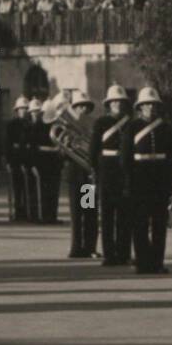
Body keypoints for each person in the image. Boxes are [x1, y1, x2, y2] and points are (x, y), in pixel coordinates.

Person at [122, 86, 172, 274]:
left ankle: (157, 262)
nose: (150, 108)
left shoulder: (165, 127)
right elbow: (125, 157)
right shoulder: (132, 127)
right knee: (140, 223)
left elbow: (171, 157)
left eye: (153, 105)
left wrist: (171, 184)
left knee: (159, 224)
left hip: (160, 181)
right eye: (146, 105)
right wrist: (129, 182)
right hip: (139, 180)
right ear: (140, 107)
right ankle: (142, 261)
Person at [90, 84, 133, 267]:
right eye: (114, 101)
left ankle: (123, 253)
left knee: (124, 216)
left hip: (124, 173)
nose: (117, 104)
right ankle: (109, 255)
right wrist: (97, 171)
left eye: (120, 101)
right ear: (109, 104)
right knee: (107, 217)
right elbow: (93, 151)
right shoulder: (101, 123)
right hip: (107, 172)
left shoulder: (130, 123)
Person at [65, 92, 99, 258]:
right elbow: (61, 154)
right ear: (75, 108)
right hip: (74, 176)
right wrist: (65, 146)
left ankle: (90, 247)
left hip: (88, 176)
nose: (83, 109)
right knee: (76, 214)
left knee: (89, 212)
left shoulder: (93, 125)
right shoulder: (68, 126)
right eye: (79, 106)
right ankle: (76, 248)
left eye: (86, 106)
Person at [5, 97, 31, 222]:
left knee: (27, 189)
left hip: (27, 161)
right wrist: (9, 162)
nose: (24, 111)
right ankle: (17, 212)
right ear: (17, 111)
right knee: (17, 188)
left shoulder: (30, 125)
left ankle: (27, 211)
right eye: (22, 109)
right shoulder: (11, 125)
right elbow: (8, 145)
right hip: (16, 161)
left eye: (26, 109)